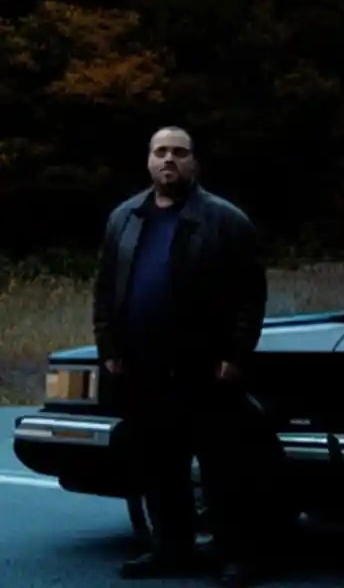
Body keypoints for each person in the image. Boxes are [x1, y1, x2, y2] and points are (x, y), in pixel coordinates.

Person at [92, 126, 268, 586]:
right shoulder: (124, 218)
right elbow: (105, 289)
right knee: (157, 464)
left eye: (179, 153)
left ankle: (237, 554)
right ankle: (171, 548)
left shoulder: (226, 220)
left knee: (223, 467)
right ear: (148, 160)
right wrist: (108, 349)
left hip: (204, 364)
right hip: (142, 365)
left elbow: (251, 296)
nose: (169, 160)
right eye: (160, 152)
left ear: (195, 162)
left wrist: (236, 354)